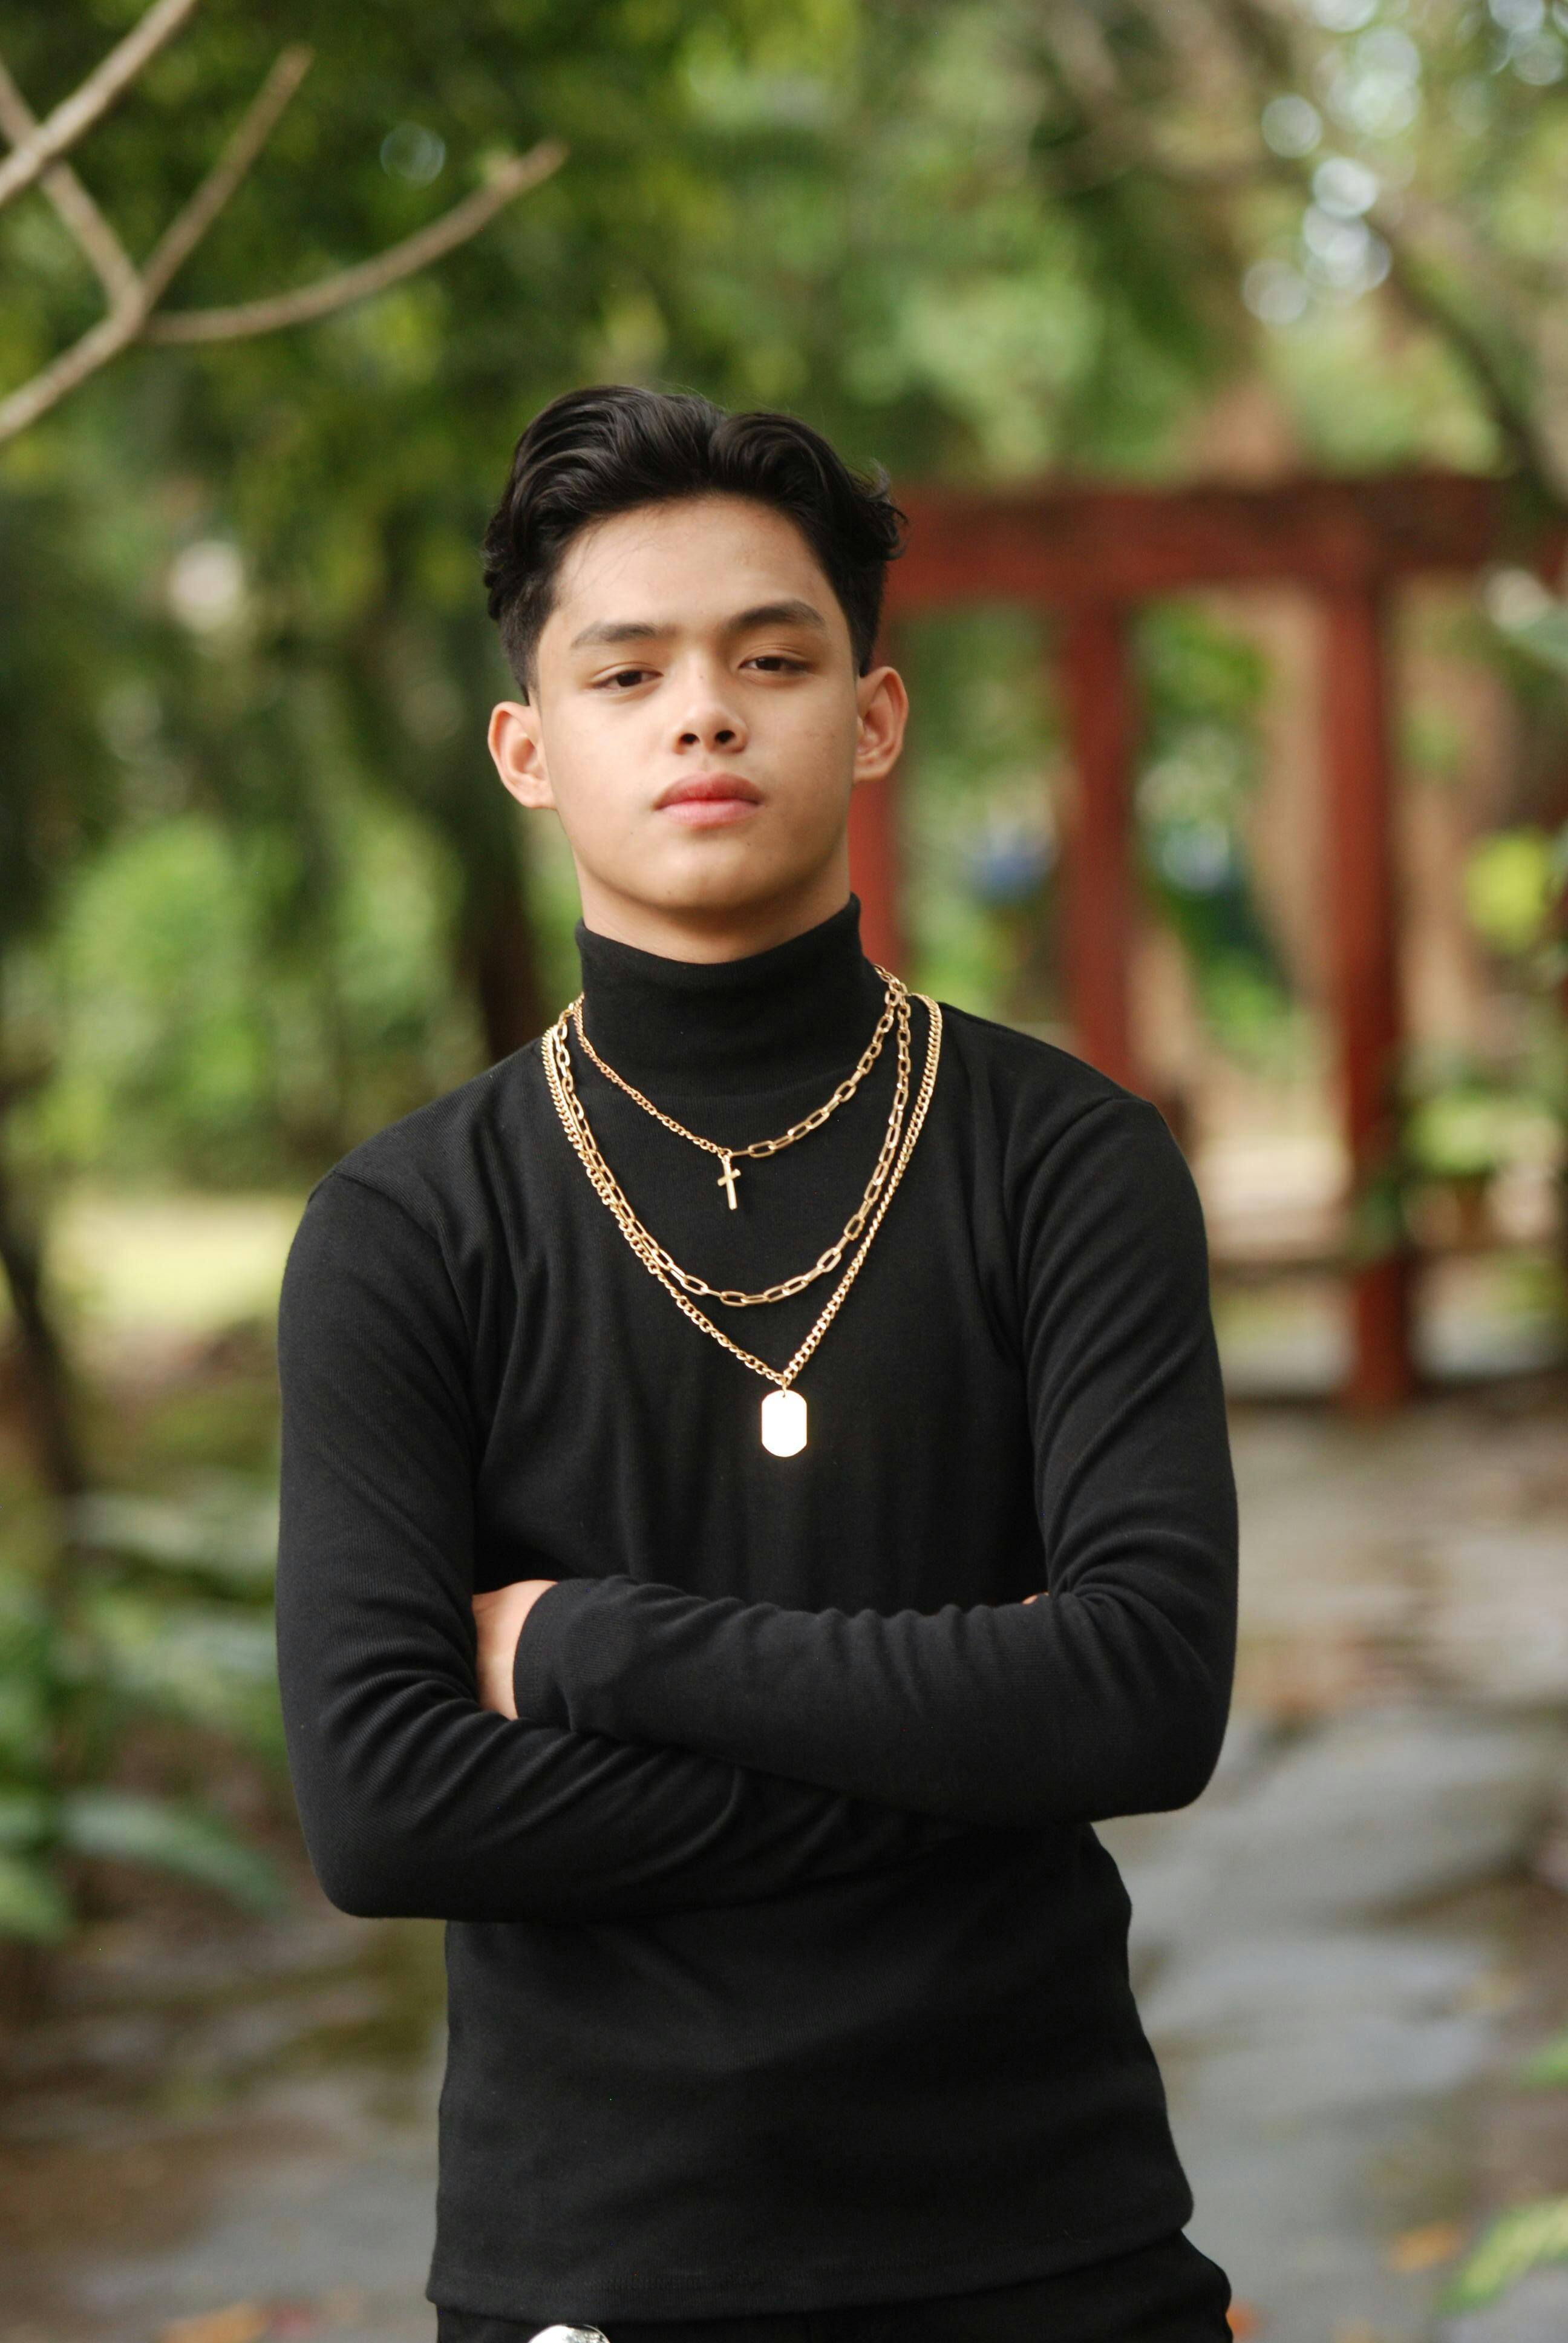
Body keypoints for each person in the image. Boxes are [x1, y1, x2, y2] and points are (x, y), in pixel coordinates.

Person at [273, 384, 1240, 2343]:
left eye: (771, 657)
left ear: (871, 717)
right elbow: (384, 1806)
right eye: (627, 673)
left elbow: (1142, 1698)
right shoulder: (406, 1230)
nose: (703, 713)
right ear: (529, 750)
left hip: (1049, 2242)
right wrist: (972, 1756)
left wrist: (583, 1653)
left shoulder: (1067, 1161)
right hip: (602, 2263)